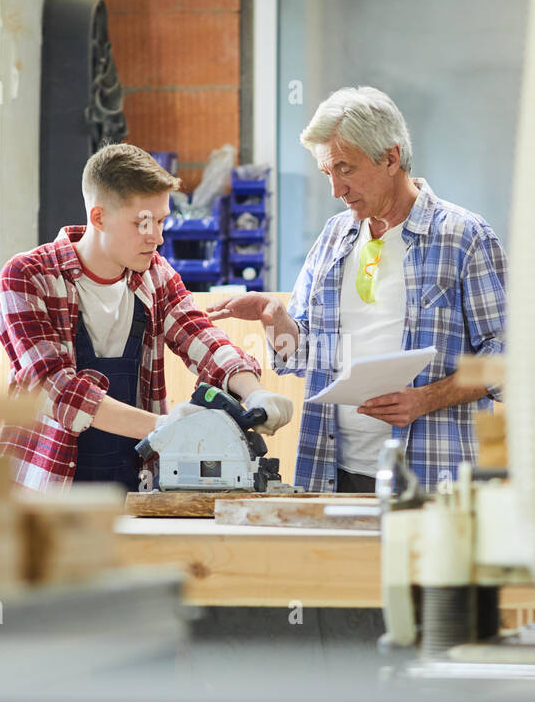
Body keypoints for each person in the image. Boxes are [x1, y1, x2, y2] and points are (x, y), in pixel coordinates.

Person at [210, 87, 506, 493]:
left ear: (390, 157)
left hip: (433, 478)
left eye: (345, 169)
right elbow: (304, 353)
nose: (336, 190)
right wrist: (276, 319)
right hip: (332, 472)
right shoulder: (334, 237)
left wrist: (426, 399)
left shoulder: (464, 237)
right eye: (327, 174)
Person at [0, 143, 293, 491]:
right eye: (143, 223)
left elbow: (200, 336)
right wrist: (163, 425)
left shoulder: (156, 276)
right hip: (45, 488)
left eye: (162, 221)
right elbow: (57, 391)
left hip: (132, 483)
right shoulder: (28, 276)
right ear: (99, 217)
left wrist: (254, 392)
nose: (157, 236)